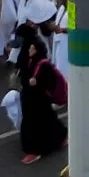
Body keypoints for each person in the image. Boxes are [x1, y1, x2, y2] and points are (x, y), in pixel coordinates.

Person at [14, 29, 66, 166]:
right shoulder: (29, 59)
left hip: (37, 100)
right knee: (47, 119)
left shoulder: (42, 64)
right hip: (32, 99)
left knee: (36, 123)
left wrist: (37, 82)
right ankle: (59, 139)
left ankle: (36, 150)